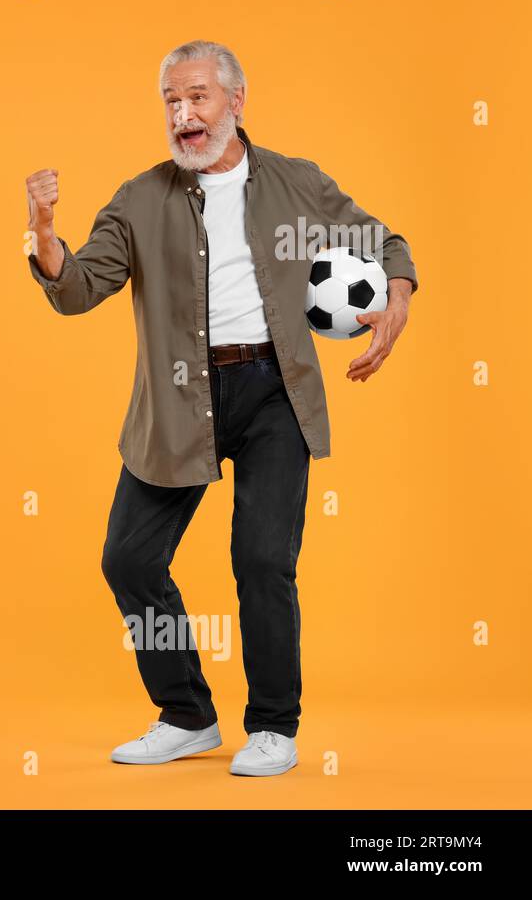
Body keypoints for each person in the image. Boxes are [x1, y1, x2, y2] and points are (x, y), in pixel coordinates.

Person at [24, 39, 418, 776]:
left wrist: (396, 297)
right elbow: (77, 289)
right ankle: (187, 714)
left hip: (275, 391)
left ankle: (274, 724)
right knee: (129, 558)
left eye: (198, 96)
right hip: (180, 397)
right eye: (172, 101)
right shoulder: (140, 199)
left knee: (263, 558)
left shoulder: (295, 184)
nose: (184, 114)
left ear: (237, 101)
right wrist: (45, 237)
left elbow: (384, 240)